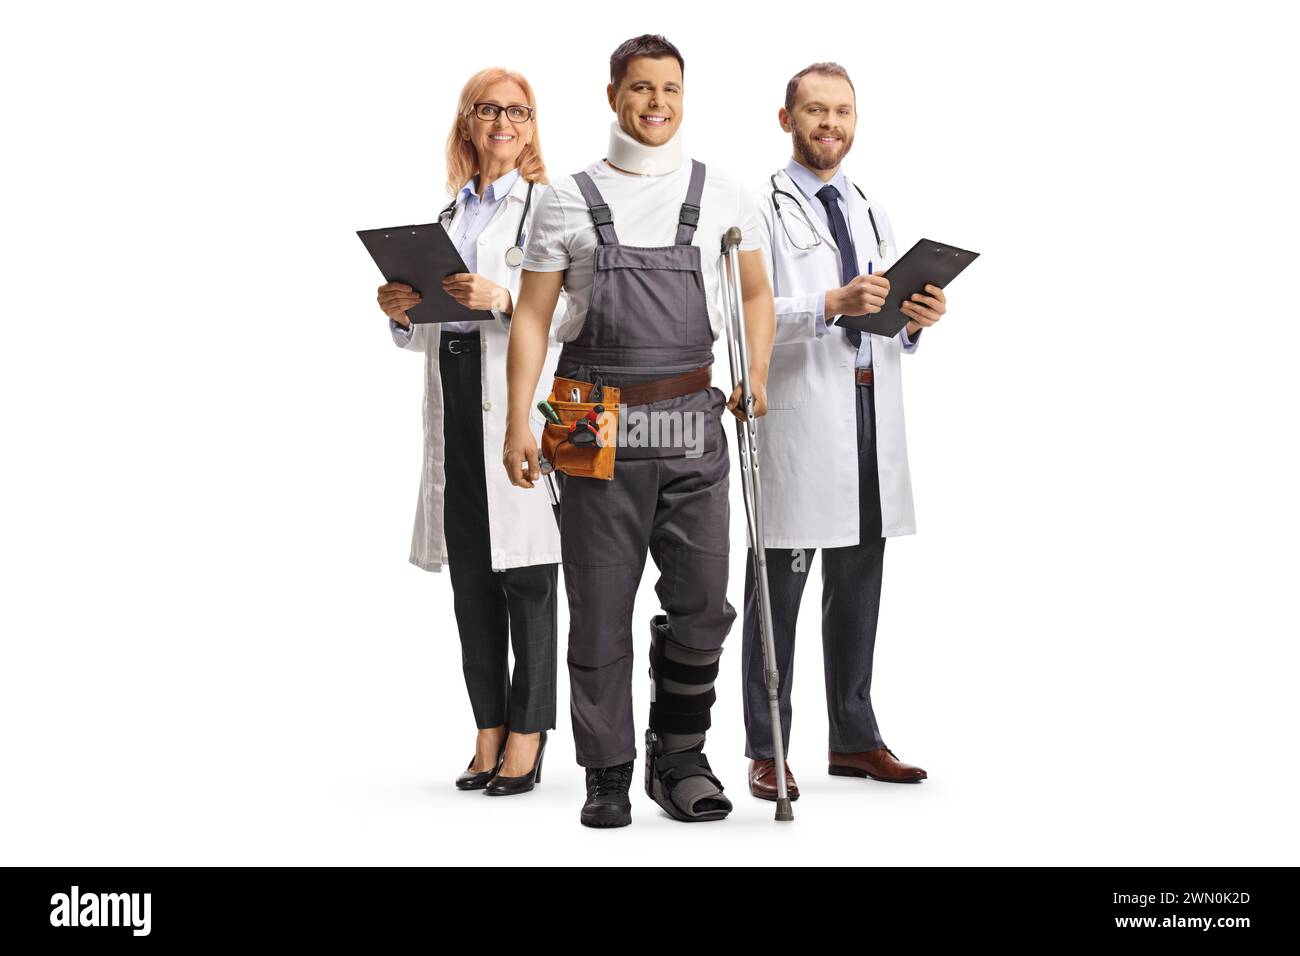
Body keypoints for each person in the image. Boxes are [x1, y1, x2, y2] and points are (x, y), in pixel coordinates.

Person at [502, 35, 776, 828]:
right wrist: (518, 422)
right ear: (613, 95)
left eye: (670, 89)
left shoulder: (722, 194)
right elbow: (532, 316)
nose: (657, 103)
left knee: (704, 604)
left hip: (692, 409)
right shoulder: (566, 198)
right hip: (587, 413)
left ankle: (678, 754)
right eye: (642, 88)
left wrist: (756, 372)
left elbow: (754, 295)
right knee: (597, 607)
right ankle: (607, 770)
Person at [743, 62, 948, 802]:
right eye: (815, 110)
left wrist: (915, 320)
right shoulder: (758, 212)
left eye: (842, 112)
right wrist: (829, 303)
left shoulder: (869, 209)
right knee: (780, 594)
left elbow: (883, 314)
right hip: (800, 420)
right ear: (787, 119)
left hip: (868, 410)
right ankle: (767, 748)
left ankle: (854, 739)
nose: (830, 124)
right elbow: (741, 313)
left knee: (859, 582)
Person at [378, 67, 564, 797]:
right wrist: (403, 312)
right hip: (455, 391)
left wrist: (506, 298)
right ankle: (488, 728)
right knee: (472, 575)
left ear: (531, 124)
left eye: (518, 111)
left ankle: (528, 734)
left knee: (529, 574)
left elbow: (580, 314)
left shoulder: (551, 209)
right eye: (488, 110)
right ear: (467, 123)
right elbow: (432, 325)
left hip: (519, 399)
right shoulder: (450, 214)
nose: (503, 123)